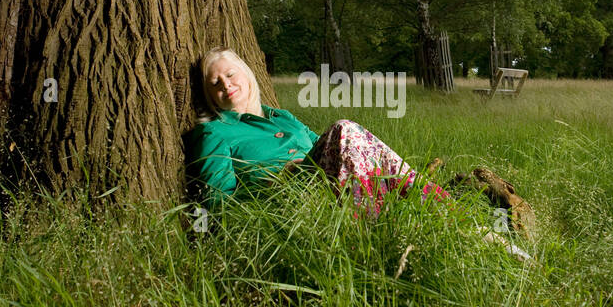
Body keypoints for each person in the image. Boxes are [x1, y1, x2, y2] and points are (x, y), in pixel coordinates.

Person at [184, 48, 451, 218]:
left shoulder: (282, 118)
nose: (226, 84)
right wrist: (274, 182)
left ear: (247, 74)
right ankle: (375, 223)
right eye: (215, 83)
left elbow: (325, 147)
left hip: (328, 182)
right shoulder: (214, 132)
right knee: (344, 128)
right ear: (210, 96)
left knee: (354, 139)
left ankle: (447, 213)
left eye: (230, 74)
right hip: (288, 196)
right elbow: (217, 201)